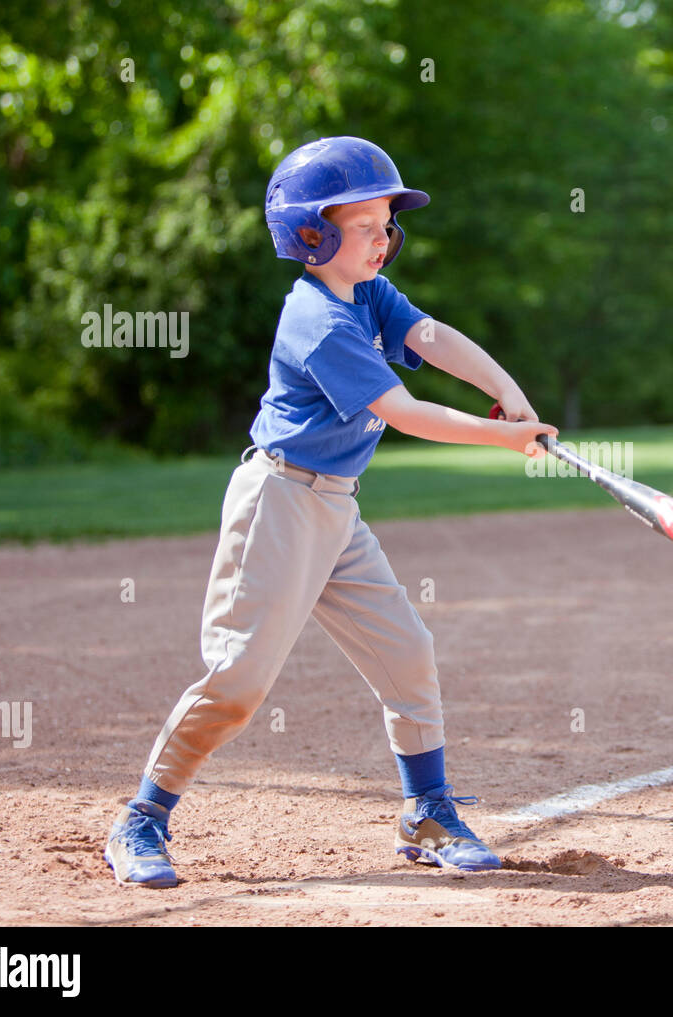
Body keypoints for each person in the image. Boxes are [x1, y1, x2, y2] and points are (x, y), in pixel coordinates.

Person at [103, 136, 557, 886]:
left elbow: (433, 337)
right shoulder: (319, 318)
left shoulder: (368, 293)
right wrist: (501, 436)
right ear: (311, 234)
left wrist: (510, 391)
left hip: (335, 508)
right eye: (369, 223)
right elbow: (404, 411)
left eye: (389, 223)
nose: (387, 238)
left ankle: (426, 809)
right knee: (240, 680)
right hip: (279, 503)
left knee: (407, 650)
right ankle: (140, 820)